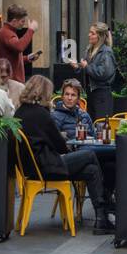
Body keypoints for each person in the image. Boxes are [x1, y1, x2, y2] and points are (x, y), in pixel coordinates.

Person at [15, 75, 113, 234]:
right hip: (47, 167)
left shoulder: (21, 112)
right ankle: (107, 205)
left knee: (92, 170)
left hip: (32, 168)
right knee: (89, 155)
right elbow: (60, 147)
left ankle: (101, 218)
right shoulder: (41, 114)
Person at [72, 23, 116, 119]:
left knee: (101, 125)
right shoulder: (89, 50)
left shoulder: (106, 52)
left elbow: (104, 73)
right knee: (91, 124)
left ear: (100, 36)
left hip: (102, 95)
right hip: (91, 93)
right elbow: (87, 70)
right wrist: (77, 67)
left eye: (92, 33)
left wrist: (86, 66)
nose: (89, 35)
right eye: (89, 32)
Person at [0, 6, 37, 83]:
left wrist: (27, 58)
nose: (23, 24)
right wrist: (31, 30)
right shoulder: (6, 33)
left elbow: (11, 57)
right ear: (14, 21)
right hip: (12, 81)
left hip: (12, 80)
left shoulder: (7, 32)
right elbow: (19, 47)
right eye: (22, 21)